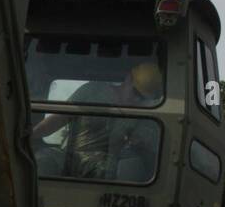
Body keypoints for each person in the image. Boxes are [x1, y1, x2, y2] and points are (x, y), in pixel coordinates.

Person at [32, 61, 163, 180]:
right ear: (128, 79)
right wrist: (30, 135)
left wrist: (138, 142)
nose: (137, 100)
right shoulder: (93, 91)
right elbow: (59, 119)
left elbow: (146, 144)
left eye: (143, 98)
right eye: (136, 93)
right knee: (42, 161)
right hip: (69, 156)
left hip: (105, 167)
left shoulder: (141, 116)